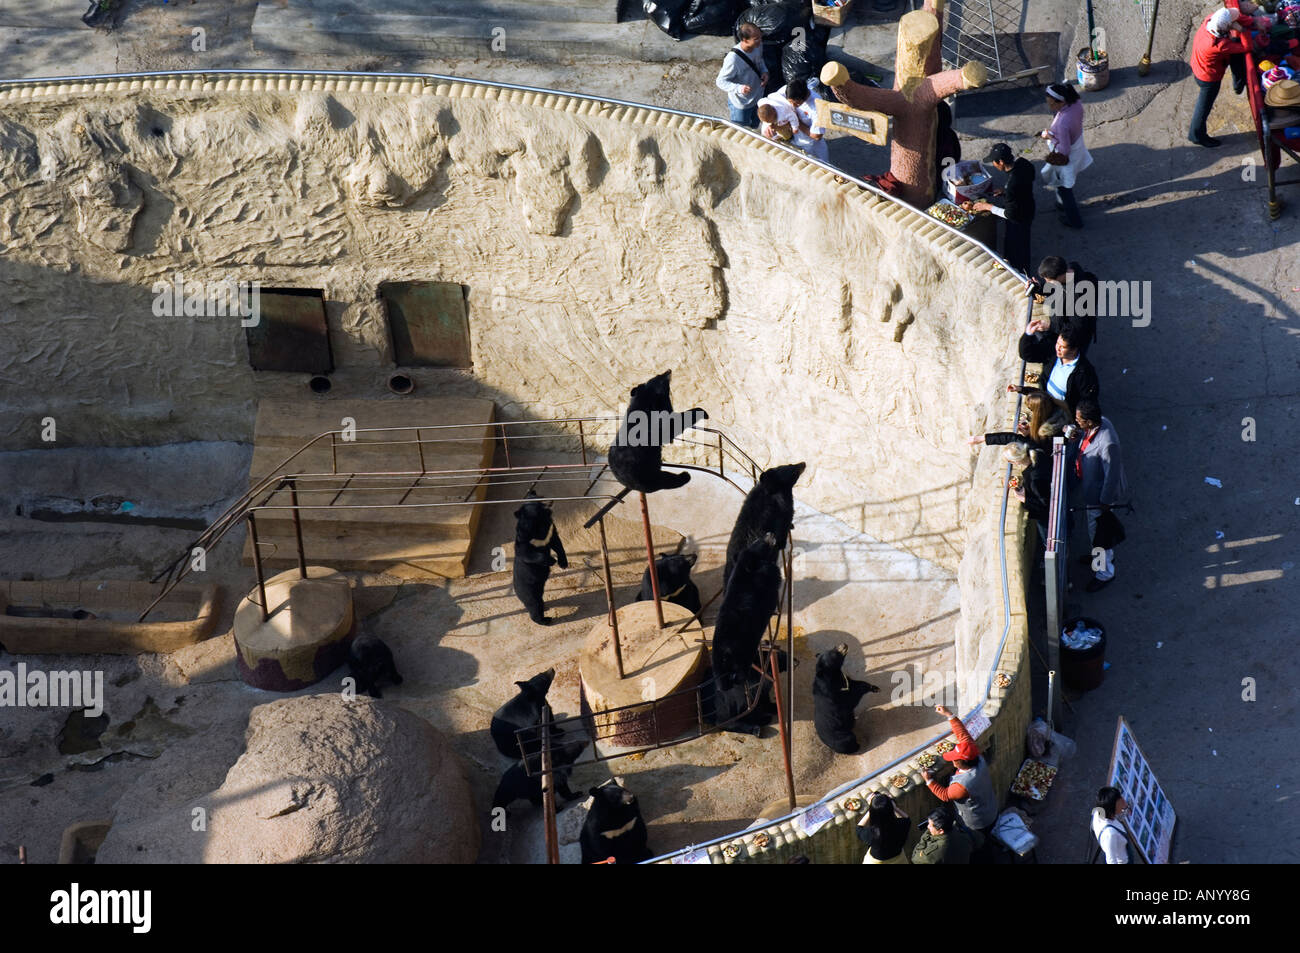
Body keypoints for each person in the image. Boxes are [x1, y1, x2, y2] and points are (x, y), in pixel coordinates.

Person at [1069, 399, 1130, 593]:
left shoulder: (1107, 443)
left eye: (1079, 419)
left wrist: (1104, 502)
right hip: (1094, 494)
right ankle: (1098, 558)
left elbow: (1111, 476)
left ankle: (1104, 572)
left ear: (1088, 421)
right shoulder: (1098, 424)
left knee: (1099, 534)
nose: (1076, 421)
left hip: (1100, 498)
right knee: (1095, 531)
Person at [921, 705, 999, 850]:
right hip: (992, 809)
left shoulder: (961, 786)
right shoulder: (976, 756)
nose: (952, 760)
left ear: (959, 763)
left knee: (978, 844)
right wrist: (949, 715)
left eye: (953, 759)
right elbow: (963, 736)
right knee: (989, 837)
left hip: (977, 822)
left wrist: (929, 780)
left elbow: (944, 795)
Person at [1190, 8, 1262, 146]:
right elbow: (1246, 47)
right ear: (1226, 27)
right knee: (1203, 107)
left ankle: (1238, 84)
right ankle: (1197, 135)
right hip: (1208, 78)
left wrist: (1252, 21)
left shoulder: (1209, 21)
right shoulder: (1219, 45)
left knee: (1204, 105)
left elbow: (1229, 15)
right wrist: (1241, 29)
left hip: (1197, 66)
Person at [973, 142, 1035, 274]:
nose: (994, 165)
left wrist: (988, 207)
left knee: (1016, 250)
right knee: (1024, 243)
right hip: (1029, 208)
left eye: (994, 162)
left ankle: (1020, 274)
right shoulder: (1024, 164)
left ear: (1000, 162)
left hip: (1018, 219)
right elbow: (1025, 184)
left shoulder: (1012, 184)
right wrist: (1005, 192)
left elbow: (1010, 214)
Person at [1015, 323, 1100, 418]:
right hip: (1045, 403)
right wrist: (1028, 334)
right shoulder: (1052, 353)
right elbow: (1027, 355)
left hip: (1062, 414)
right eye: (1057, 344)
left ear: (1074, 350)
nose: (1058, 348)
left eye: (1063, 347)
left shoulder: (1085, 372)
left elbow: (1087, 400)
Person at [1038, 83, 1091, 228]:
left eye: (1051, 103)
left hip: (1066, 156)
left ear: (1061, 102)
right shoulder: (1076, 104)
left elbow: (1064, 150)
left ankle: (1074, 221)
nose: (1049, 106)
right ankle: (1061, 204)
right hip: (1078, 145)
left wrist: (1049, 136)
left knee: (1064, 188)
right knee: (1064, 186)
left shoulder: (1062, 123)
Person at [1028, 256, 1098, 356]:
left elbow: (1076, 328)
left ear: (1060, 276)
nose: (1047, 283)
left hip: (1073, 343)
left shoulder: (1078, 297)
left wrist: (1049, 326)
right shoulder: (1069, 272)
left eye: (1048, 280)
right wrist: (1038, 288)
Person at [967, 389, 1069, 454]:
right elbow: (1039, 393)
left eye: (1031, 409)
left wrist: (982, 438)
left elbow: (1015, 439)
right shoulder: (1059, 409)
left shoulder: (1047, 433)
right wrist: (1028, 433)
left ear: (1038, 412)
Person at [717, 25, 768, 129]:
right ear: (745, 40)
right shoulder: (733, 59)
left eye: (760, 37)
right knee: (741, 131)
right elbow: (720, 81)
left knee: (754, 126)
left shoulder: (757, 46)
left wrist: (765, 71)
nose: (760, 40)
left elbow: (760, 60)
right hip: (741, 104)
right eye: (756, 39)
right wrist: (739, 88)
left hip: (758, 97)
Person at [911, 806, 980, 864]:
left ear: (941, 831)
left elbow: (914, 858)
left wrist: (924, 838)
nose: (928, 827)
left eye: (930, 825)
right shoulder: (961, 833)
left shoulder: (931, 854)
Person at [856, 792, 911, 864]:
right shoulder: (902, 825)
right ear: (891, 809)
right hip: (898, 860)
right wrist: (895, 808)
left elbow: (858, 828)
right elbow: (907, 819)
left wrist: (872, 807)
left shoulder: (871, 833)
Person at [785, 80, 830, 163]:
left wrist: (797, 122)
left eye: (796, 104)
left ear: (804, 97)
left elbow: (817, 135)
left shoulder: (817, 107)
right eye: (790, 102)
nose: (793, 106)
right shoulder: (793, 90)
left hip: (812, 146)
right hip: (796, 141)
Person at [1090, 786, 1133, 864]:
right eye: (1120, 801)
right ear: (1111, 808)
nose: (1124, 801)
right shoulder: (1110, 834)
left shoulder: (1097, 813)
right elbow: (1111, 861)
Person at [934, 100, 961, 199]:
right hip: (950, 169)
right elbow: (957, 153)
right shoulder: (950, 134)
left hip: (936, 175)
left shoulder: (929, 139)